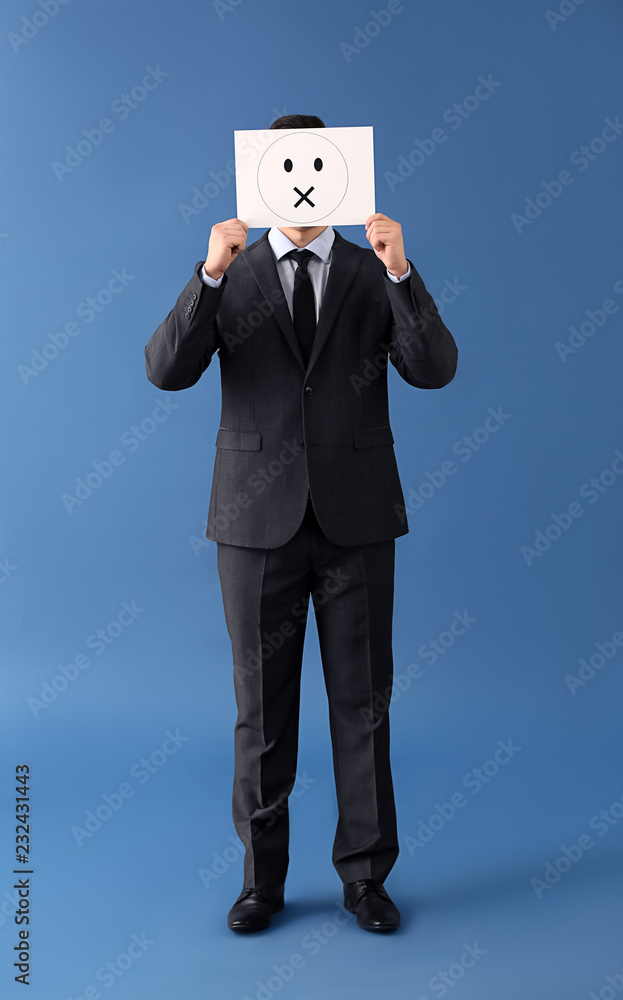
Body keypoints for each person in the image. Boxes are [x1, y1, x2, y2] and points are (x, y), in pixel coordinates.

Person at [145, 113, 458, 933]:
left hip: (356, 519)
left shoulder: (369, 266)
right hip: (252, 522)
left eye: (318, 168)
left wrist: (402, 272)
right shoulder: (232, 271)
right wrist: (206, 276)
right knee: (260, 709)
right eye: (287, 168)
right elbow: (165, 371)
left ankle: (365, 878)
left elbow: (433, 370)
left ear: (341, 171)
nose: (303, 183)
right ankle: (261, 884)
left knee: (362, 705)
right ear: (263, 174)